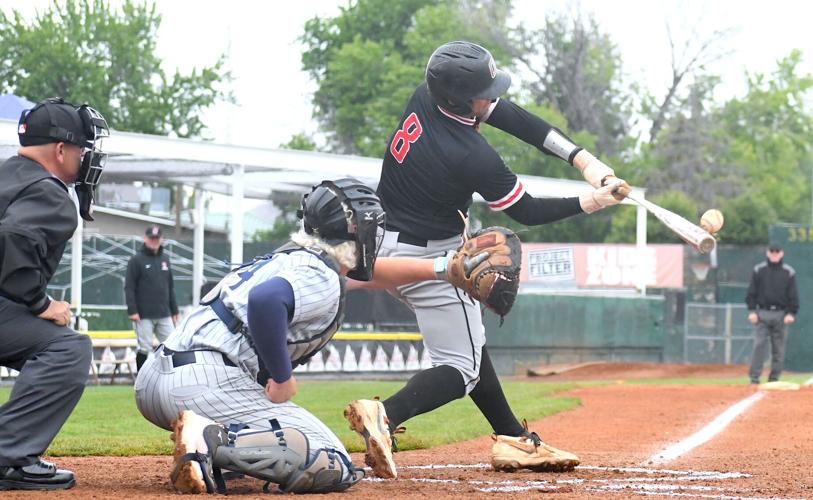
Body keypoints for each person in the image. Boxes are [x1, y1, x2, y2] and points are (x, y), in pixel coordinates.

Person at [344, 40, 630, 479]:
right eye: (485, 90)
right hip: (430, 258)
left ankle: (512, 436)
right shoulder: (471, 155)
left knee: (470, 342)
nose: (492, 96)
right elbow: (528, 211)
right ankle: (387, 414)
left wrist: (582, 159)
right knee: (462, 367)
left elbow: (516, 118)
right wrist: (592, 200)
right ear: (460, 97)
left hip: (382, 241)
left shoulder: (428, 97)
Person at [134, 178, 495, 495]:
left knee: (282, 450)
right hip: (203, 384)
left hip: (155, 379)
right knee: (333, 460)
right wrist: (281, 376)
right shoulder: (319, 274)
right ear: (357, 231)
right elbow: (265, 301)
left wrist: (444, 268)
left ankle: (214, 453)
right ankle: (210, 442)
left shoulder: (294, 259)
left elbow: (372, 275)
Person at [0, 97, 109, 490]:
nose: (86, 158)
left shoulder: (7, 174)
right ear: (61, 150)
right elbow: (14, 235)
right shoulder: (48, 191)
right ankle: (8, 456)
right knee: (69, 349)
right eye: (81, 148)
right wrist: (40, 303)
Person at [125, 224, 180, 371]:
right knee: (144, 348)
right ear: (145, 239)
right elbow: (129, 287)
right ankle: (141, 381)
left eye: (157, 238)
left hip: (164, 313)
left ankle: (170, 377)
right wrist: (132, 310)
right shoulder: (136, 260)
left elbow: (170, 287)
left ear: (161, 239)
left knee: (172, 345)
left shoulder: (165, 259)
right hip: (143, 315)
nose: (154, 241)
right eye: (151, 238)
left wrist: (174, 310)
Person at [745, 243, 799, 385]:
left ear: (782, 253)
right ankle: (754, 378)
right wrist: (752, 311)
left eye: (777, 251)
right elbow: (751, 293)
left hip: (781, 315)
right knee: (759, 346)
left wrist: (791, 313)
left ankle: (774, 378)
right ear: (767, 253)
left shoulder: (789, 272)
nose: (774, 254)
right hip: (762, 313)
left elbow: (793, 295)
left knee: (778, 349)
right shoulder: (759, 270)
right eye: (772, 251)